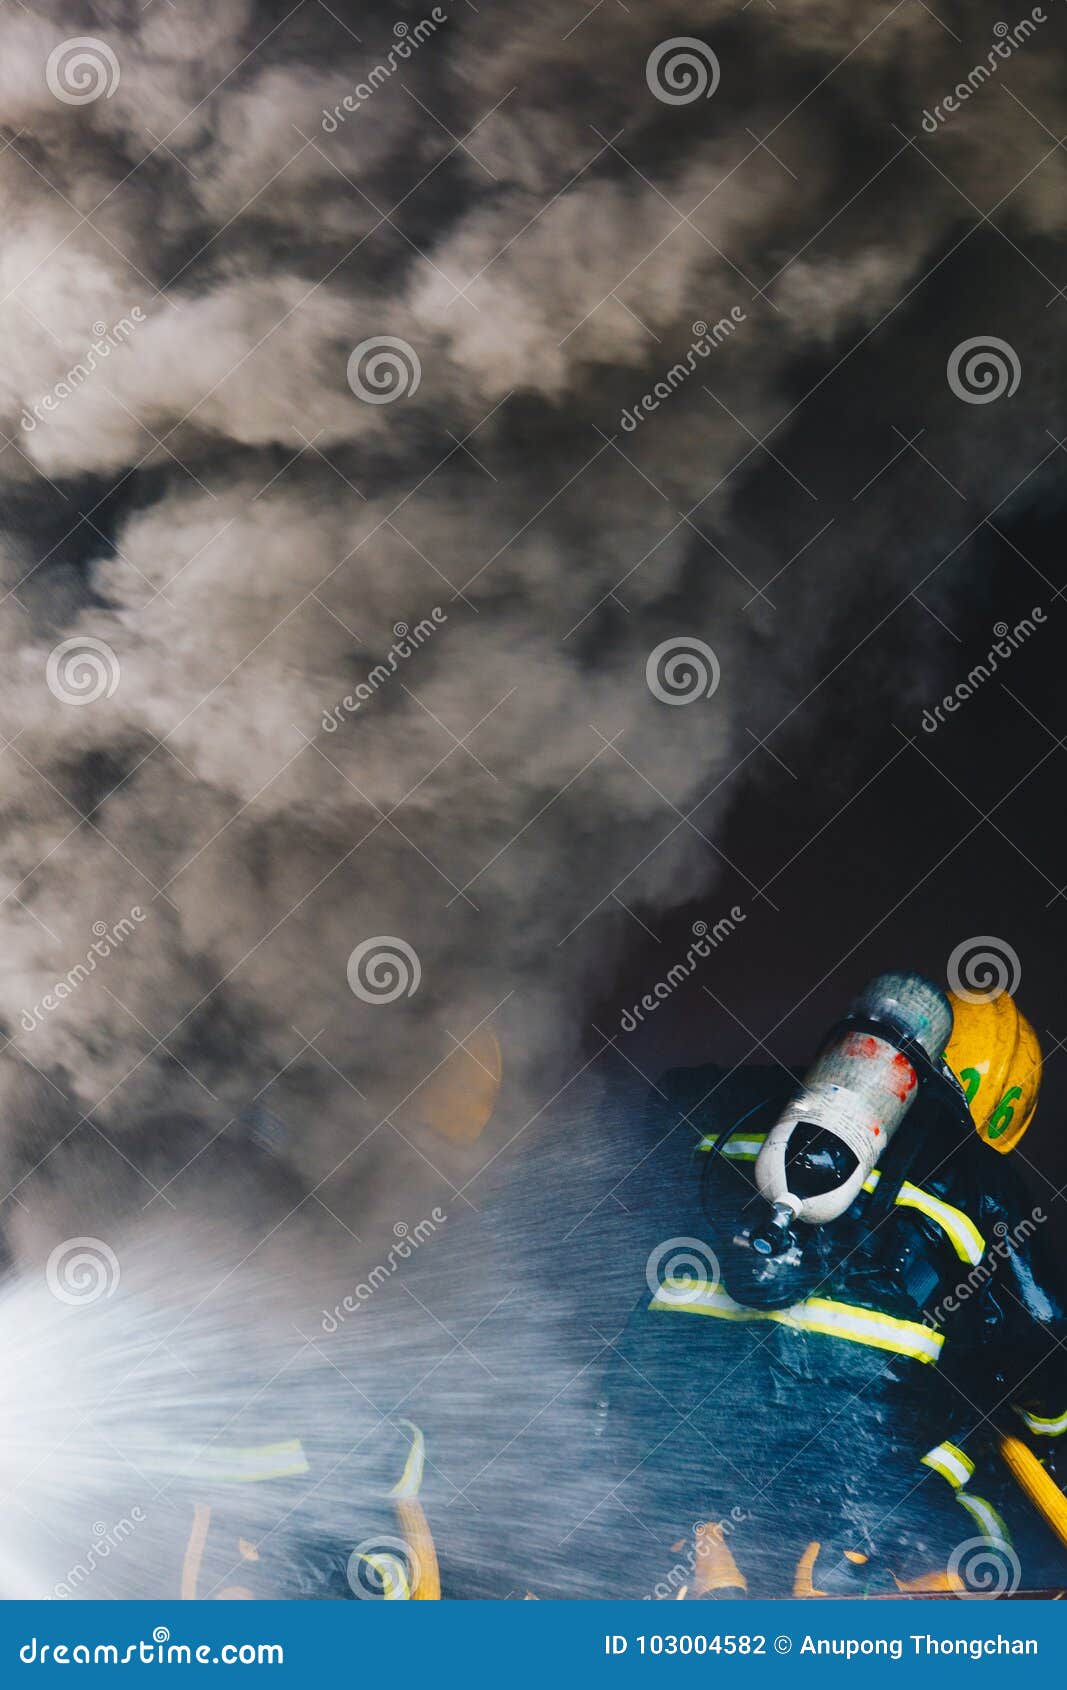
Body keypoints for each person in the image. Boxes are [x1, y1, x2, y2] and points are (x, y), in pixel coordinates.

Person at [592, 971, 1067, 1597]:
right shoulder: (979, 1178)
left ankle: (702, 1552)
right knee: (988, 1525)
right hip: (842, 1480)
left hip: (658, 1455)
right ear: (1000, 1108)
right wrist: (1049, 1430)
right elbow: (1042, 1338)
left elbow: (644, 1146)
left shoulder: (749, 1103)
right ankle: (851, 1582)